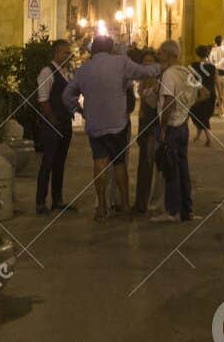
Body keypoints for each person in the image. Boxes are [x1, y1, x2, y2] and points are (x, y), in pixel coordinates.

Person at [63, 36, 161, 220]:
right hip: (117, 123)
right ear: (111, 48)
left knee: (99, 163)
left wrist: (79, 110)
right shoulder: (121, 62)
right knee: (119, 164)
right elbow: (142, 72)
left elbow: (67, 95)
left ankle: (101, 207)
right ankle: (124, 206)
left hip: (95, 123)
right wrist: (160, 67)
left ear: (93, 49)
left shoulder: (84, 70)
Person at [154, 40, 197, 222]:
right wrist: (185, 110)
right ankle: (187, 210)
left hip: (172, 126)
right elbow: (203, 94)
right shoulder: (187, 72)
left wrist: (163, 129)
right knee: (183, 168)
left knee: (170, 168)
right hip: (183, 126)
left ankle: (172, 211)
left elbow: (169, 103)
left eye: (161, 53)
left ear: (170, 54)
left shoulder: (169, 74)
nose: (159, 56)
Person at [34, 39, 75, 215]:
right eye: (66, 52)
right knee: (48, 162)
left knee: (60, 162)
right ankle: (40, 202)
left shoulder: (65, 72)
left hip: (65, 123)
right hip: (53, 124)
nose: (69, 55)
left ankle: (57, 200)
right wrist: (52, 119)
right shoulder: (47, 72)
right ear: (57, 53)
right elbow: (43, 99)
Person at [131, 48, 165, 217]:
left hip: (154, 127)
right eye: (144, 62)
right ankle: (144, 201)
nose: (147, 65)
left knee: (148, 164)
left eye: (150, 62)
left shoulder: (159, 83)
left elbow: (157, 106)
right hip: (144, 126)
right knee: (144, 164)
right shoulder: (143, 81)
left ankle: (147, 203)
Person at [188, 44, 217, 146]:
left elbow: (190, 81)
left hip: (198, 94)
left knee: (197, 114)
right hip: (211, 93)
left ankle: (208, 138)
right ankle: (198, 134)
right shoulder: (212, 67)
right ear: (208, 54)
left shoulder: (193, 66)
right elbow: (215, 81)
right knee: (204, 115)